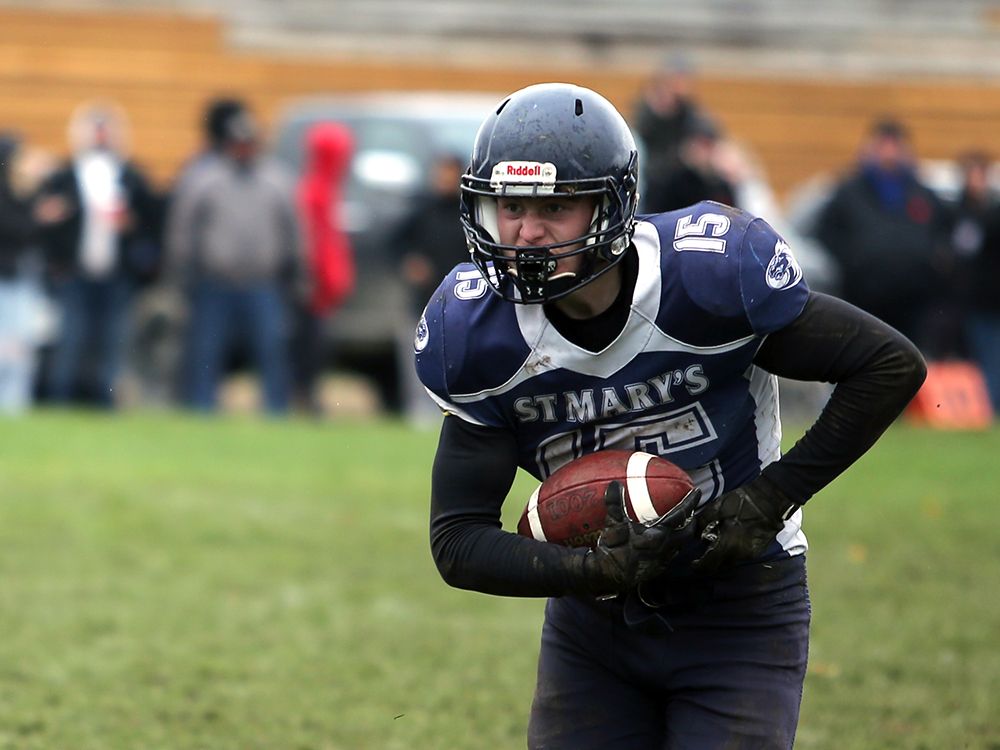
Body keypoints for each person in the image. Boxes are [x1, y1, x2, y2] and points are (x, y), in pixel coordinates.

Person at [414, 83, 926, 748]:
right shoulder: (476, 332)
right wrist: (593, 572)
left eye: (556, 207)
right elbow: (457, 541)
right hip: (593, 626)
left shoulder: (704, 277)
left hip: (739, 598)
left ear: (614, 205)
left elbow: (889, 364)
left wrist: (769, 500)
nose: (526, 232)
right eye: (510, 206)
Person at [166, 105, 305, 414]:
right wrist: (183, 273)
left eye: (249, 142)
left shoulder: (277, 180)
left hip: (263, 282)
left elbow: (294, 230)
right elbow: (183, 229)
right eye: (237, 142)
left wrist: (296, 272)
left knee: (271, 350)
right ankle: (201, 411)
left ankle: (276, 411)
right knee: (206, 351)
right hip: (215, 282)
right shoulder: (205, 179)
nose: (243, 149)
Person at [38, 100, 163, 408]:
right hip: (73, 273)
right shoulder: (62, 178)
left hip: (117, 275)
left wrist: (131, 230)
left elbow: (152, 224)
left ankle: (105, 402)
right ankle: (60, 402)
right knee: (71, 339)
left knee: (113, 343)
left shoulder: (132, 177)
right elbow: (44, 225)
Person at [813, 117, 950, 349]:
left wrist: (932, 260)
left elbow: (944, 230)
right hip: (864, 295)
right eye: (883, 146)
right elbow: (825, 231)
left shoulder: (921, 192)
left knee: (910, 358)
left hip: (913, 297)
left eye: (894, 146)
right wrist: (852, 259)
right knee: (865, 353)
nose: (889, 153)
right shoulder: (849, 191)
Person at [290, 121, 355, 415]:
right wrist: (326, 279)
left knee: (315, 345)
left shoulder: (326, 190)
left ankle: (307, 396)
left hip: (322, 288)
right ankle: (304, 398)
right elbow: (316, 244)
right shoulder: (316, 192)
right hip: (314, 288)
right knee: (308, 346)